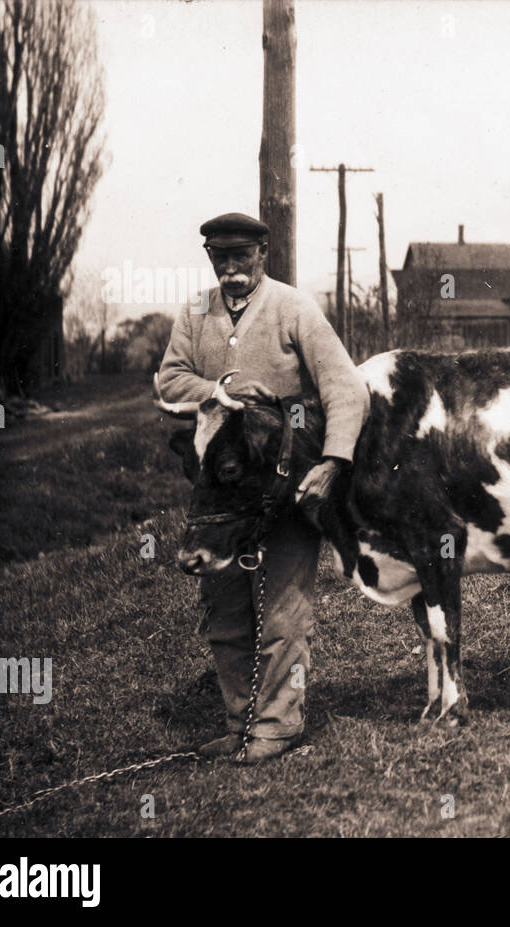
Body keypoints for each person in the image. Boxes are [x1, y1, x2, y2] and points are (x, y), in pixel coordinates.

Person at [157, 212, 368, 764]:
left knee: (282, 611)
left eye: (240, 258)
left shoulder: (292, 307)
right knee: (225, 610)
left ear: (262, 255)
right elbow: (170, 379)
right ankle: (240, 723)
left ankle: (277, 727)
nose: (230, 271)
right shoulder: (195, 311)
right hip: (224, 495)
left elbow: (346, 386)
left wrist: (333, 460)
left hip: (285, 490)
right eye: (219, 259)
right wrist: (221, 388)